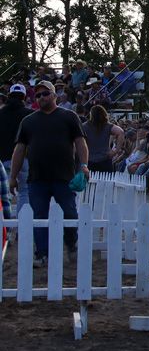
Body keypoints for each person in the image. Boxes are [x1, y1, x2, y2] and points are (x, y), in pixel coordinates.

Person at [8, 80, 89, 265]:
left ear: (54, 95)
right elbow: (19, 150)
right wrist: (13, 177)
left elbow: (80, 143)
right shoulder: (28, 121)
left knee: (70, 214)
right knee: (39, 217)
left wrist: (84, 165)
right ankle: (42, 253)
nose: (41, 97)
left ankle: (71, 243)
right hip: (37, 178)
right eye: (38, 95)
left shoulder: (69, 117)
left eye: (45, 93)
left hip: (64, 177)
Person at [0, 83, 33, 219]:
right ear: (24, 97)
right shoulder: (30, 115)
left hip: (3, 160)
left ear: (9, 96)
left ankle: (4, 227)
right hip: (24, 159)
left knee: (3, 194)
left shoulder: (0, 114)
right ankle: (22, 228)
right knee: (24, 192)